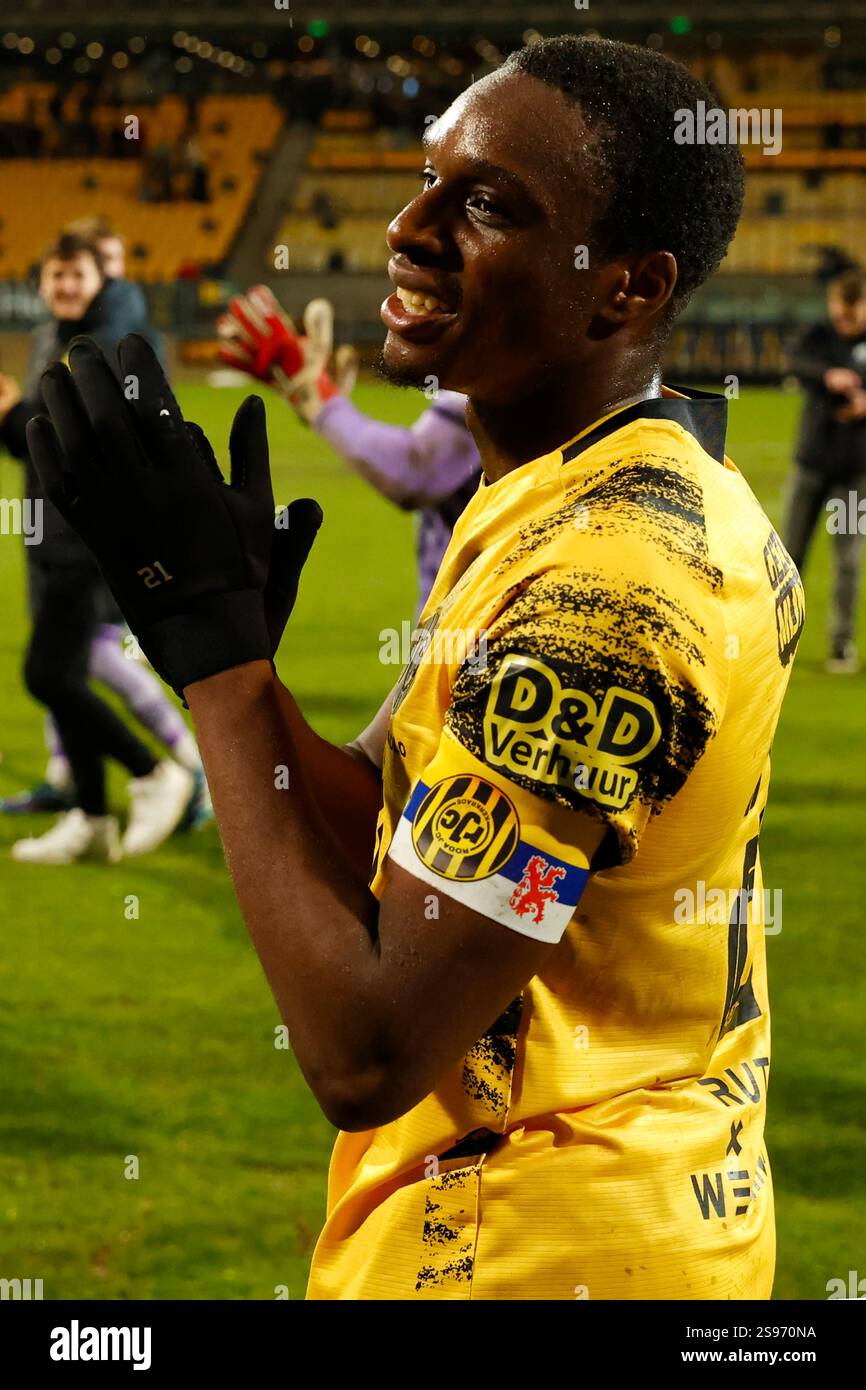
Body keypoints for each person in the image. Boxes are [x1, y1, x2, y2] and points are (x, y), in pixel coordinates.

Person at [29, 36, 804, 1298]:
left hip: (535, 1242)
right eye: (426, 179)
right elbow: (388, 838)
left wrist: (223, 677)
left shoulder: (609, 585)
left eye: (487, 204)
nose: (409, 227)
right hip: (620, 1214)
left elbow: (366, 1049)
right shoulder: (562, 496)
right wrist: (230, 659)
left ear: (625, 287)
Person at [2, 219, 210, 823]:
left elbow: (80, 435)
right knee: (69, 657)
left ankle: (176, 768)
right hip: (52, 524)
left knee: (81, 658)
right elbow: (41, 436)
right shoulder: (56, 335)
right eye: (57, 274)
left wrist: (14, 418)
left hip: (93, 531)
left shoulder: (110, 337)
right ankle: (75, 787)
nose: (72, 284)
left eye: (87, 270)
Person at [218, 286, 481, 610]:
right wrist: (321, 398)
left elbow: (416, 469)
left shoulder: (500, 369)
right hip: (468, 614)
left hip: (480, 621)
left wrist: (319, 399)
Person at [783, 268, 866, 673]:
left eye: (852, 312)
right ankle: (777, 639)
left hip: (855, 473)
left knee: (847, 559)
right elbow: (796, 360)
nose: (844, 319)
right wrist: (827, 374)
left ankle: (840, 644)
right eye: (840, 310)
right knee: (789, 556)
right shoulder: (818, 335)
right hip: (812, 464)